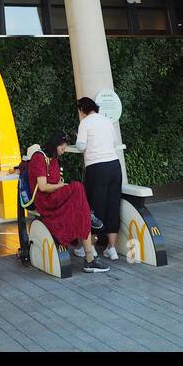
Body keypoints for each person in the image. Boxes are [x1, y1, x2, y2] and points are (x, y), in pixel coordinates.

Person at [27, 132, 109, 273]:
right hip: (45, 200)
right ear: (55, 145)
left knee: (80, 205)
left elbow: (54, 182)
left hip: (53, 196)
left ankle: (89, 255)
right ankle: (89, 258)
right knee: (77, 187)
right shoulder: (39, 158)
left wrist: (60, 185)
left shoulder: (52, 158)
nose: (63, 152)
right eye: (63, 148)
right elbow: (43, 187)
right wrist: (62, 186)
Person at [74, 96, 122, 260]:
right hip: (114, 166)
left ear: (82, 110)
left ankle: (91, 248)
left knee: (95, 207)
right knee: (113, 205)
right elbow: (115, 142)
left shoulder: (85, 123)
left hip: (97, 167)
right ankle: (112, 248)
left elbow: (81, 146)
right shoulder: (107, 121)